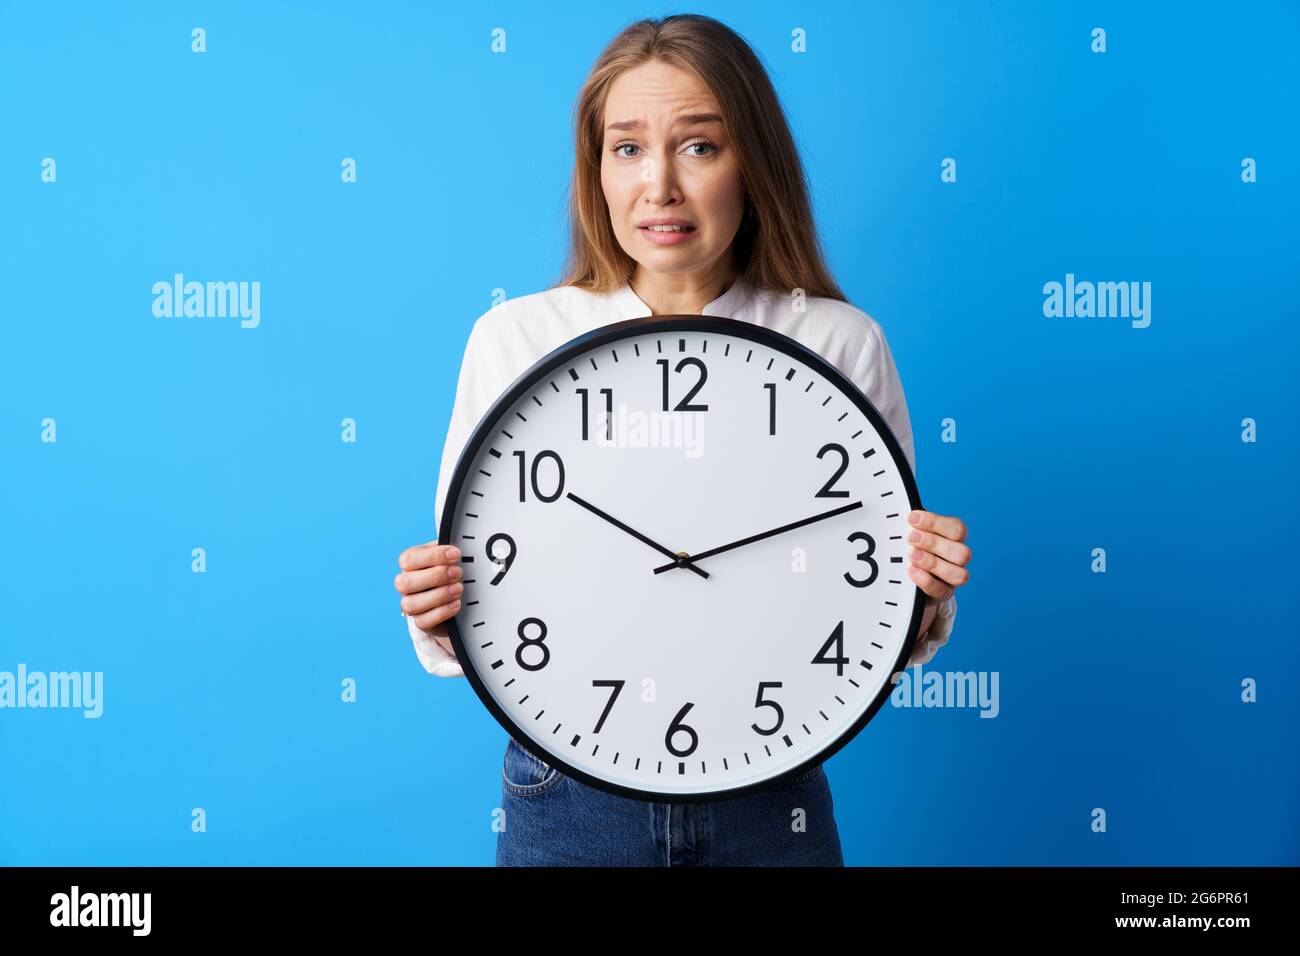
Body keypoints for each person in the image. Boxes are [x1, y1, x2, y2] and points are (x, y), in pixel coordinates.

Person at [394, 13, 972, 866]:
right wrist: (435, 606)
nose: (658, 185)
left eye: (699, 147)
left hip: (772, 797)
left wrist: (926, 587)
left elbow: (880, 625)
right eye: (626, 148)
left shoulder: (841, 344)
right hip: (569, 801)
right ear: (596, 170)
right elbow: (468, 624)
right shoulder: (514, 341)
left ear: (755, 165)